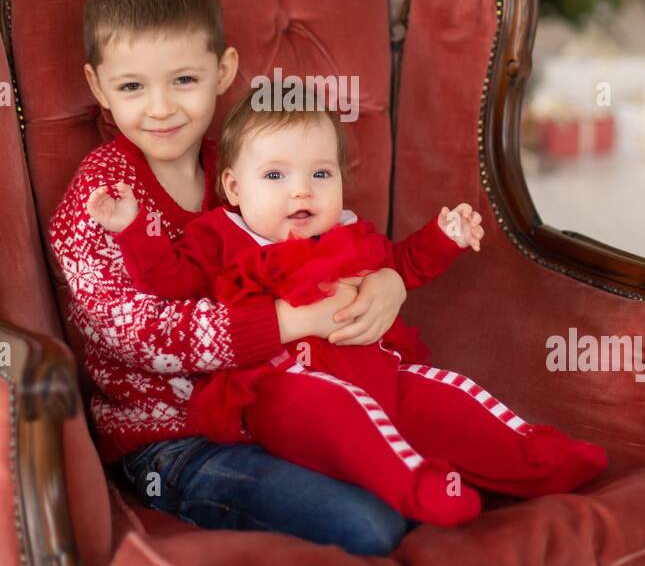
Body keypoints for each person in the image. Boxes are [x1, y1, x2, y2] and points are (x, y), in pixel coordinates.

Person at [88, 91, 608, 529]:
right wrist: (133, 230)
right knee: (343, 413)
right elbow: (169, 283)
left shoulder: (347, 235)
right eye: (275, 176)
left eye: (321, 173)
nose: (301, 190)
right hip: (284, 391)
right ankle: (414, 485)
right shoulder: (221, 237)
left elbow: (401, 263)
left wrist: (442, 238)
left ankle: (532, 459)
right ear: (233, 187)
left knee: (442, 393)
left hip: (378, 373)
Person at [48, 0, 417, 555]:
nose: (161, 107)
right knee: (366, 523)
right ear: (97, 86)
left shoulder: (245, 164)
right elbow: (134, 336)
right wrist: (291, 322)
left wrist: (386, 280)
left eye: (184, 80)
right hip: (173, 440)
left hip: (283, 400)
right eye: (133, 86)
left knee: (416, 484)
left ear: (223, 71)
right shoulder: (100, 194)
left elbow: (324, 242)